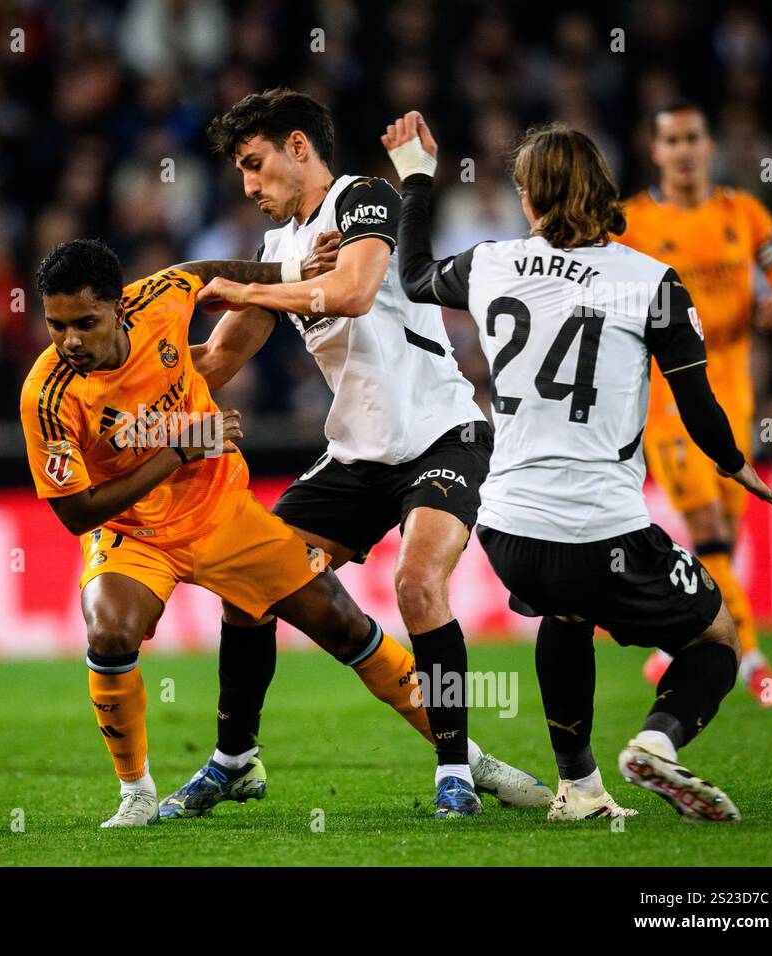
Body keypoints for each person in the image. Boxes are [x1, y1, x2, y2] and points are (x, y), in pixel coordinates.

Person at [383, 110, 772, 821]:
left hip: (507, 530)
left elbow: (414, 276)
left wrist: (416, 179)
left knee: (565, 614)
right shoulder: (652, 283)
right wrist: (734, 464)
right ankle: (658, 746)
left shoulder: (489, 262)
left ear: (529, 198)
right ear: (603, 191)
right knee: (716, 639)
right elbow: (696, 402)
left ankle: (579, 788)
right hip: (603, 526)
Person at [20, 238, 503, 826]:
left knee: (343, 624)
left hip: (222, 512)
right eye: (56, 325)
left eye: (85, 323)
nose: (70, 341)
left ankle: (466, 757)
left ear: (120, 309)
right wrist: (177, 450)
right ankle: (136, 790)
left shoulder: (161, 298)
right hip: (132, 533)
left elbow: (209, 271)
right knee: (111, 630)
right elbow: (77, 514)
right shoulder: (46, 394)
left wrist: (293, 270)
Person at [162, 89, 549, 819]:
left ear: (299, 147)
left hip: (443, 434)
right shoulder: (279, 250)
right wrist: (124, 363)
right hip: (357, 456)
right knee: (247, 582)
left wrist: (255, 286)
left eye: (256, 163)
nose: (248, 185)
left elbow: (355, 292)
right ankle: (234, 760)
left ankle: (453, 772)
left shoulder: (364, 198)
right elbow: (212, 363)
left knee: (417, 585)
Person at [615, 102, 772, 706]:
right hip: (670, 399)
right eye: (670, 139)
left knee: (724, 531)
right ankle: (754, 666)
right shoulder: (632, 222)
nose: (681, 149)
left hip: (733, 397)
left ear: (709, 146)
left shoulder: (744, 214)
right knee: (709, 533)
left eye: (691, 138)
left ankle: (668, 648)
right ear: (655, 152)